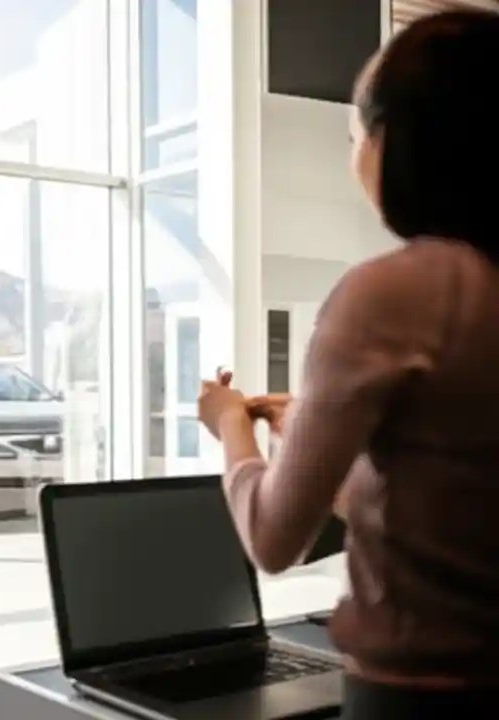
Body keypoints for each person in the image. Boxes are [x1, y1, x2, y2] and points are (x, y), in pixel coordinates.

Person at [197, 11, 499, 719]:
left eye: (355, 133)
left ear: (400, 141)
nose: (353, 154)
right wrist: (317, 437)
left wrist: (230, 427)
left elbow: (273, 538)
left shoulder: (394, 292)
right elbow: (449, 505)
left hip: (417, 695)